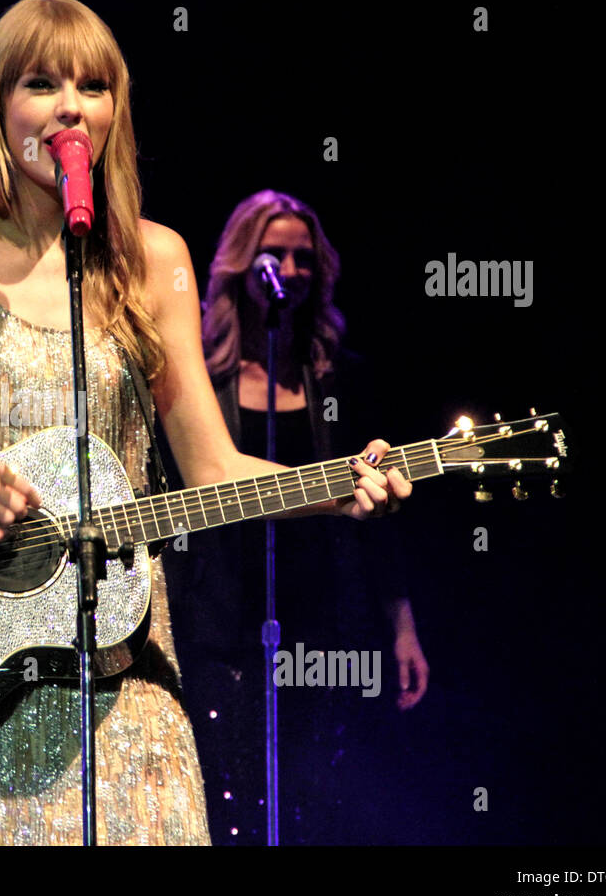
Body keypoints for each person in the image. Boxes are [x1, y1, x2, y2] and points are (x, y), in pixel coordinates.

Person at [0, 0, 412, 846]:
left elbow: (212, 470)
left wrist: (339, 491)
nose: (71, 105)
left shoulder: (156, 259)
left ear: (114, 112)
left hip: (124, 679)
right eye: (42, 82)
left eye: (92, 87)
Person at [163, 189, 430, 844]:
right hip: (215, 615)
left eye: (302, 256)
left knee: (313, 799)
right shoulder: (194, 375)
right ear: (239, 264)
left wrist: (403, 627)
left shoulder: (339, 379)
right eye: (273, 253)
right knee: (233, 800)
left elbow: (379, 508)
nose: (289, 267)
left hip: (318, 613)